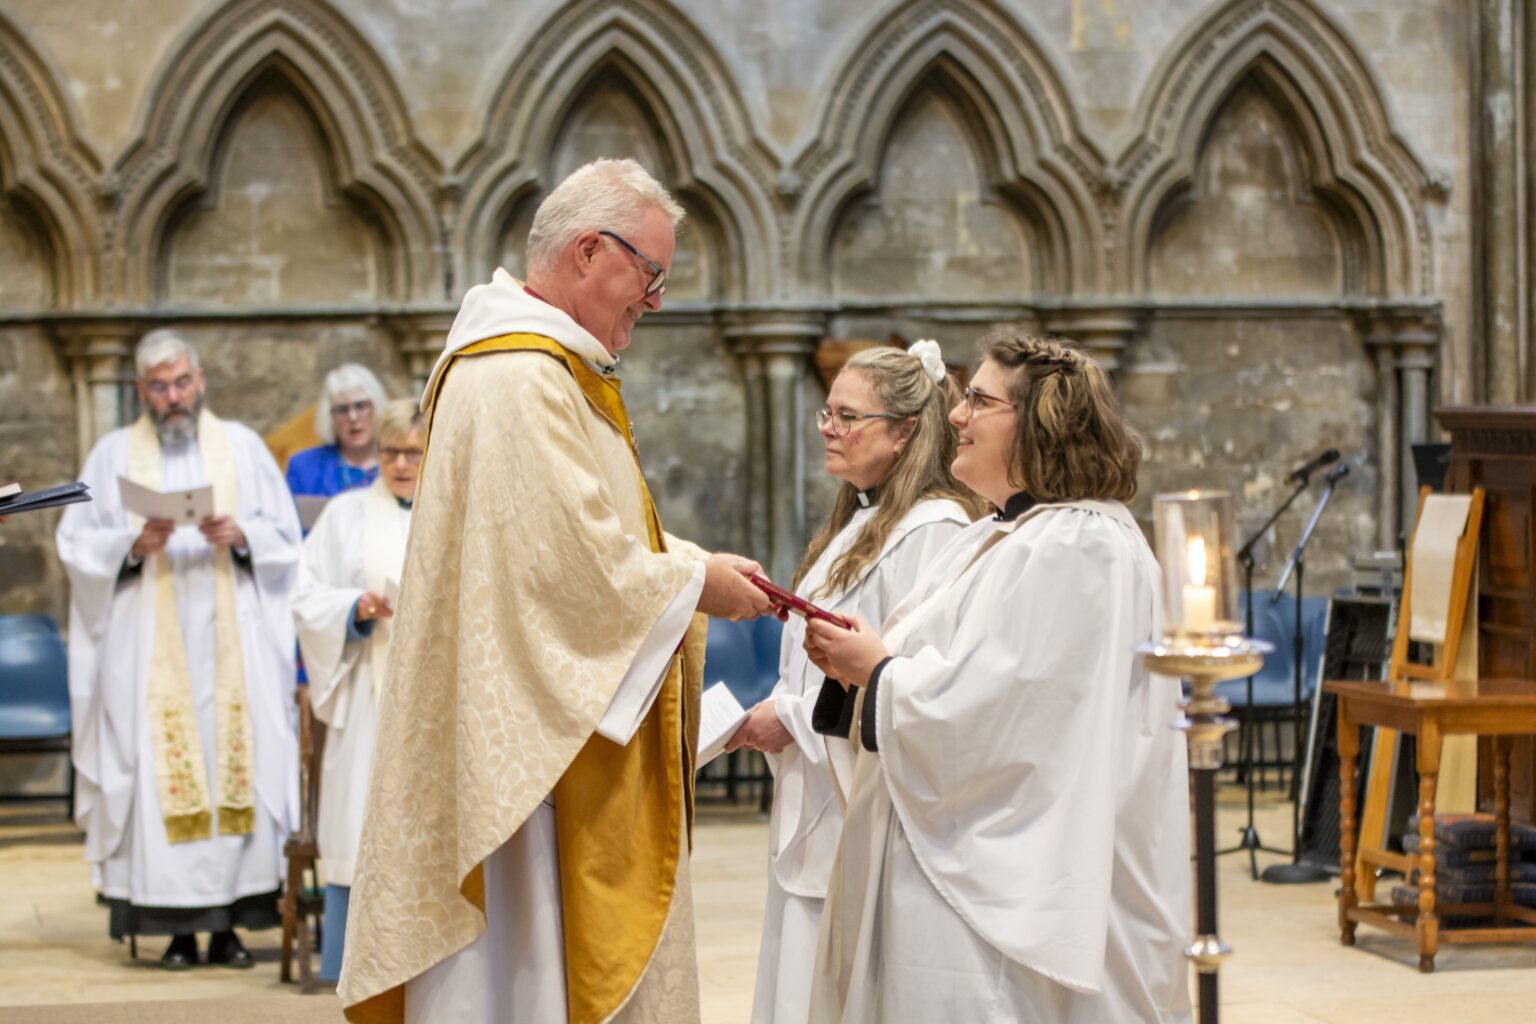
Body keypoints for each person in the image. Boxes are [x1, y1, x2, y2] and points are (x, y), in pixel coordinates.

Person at [339, 158, 772, 1024]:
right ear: (586, 251)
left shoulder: (540, 366)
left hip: (536, 730)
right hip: (526, 768)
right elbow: (566, 571)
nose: (654, 301)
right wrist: (696, 585)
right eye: (650, 275)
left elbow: (579, 534)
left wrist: (688, 561)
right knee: (525, 976)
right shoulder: (519, 376)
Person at [803, 330, 1192, 1023]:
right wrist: (860, 667)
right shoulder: (1002, 533)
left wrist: (880, 673)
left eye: (979, 401)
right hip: (949, 861)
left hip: (1009, 890)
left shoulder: (1081, 544)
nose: (955, 414)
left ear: (1044, 421)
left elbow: (1010, 720)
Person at [727, 340, 978, 1024]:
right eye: (827, 414)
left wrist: (796, 715)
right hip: (818, 781)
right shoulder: (861, 520)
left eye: (848, 416)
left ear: (903, 433)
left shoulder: (933, 529)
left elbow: (910, 670)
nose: (830, 430)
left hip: (861, 788)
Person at [55, 329, 301, 970]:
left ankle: (230, 928)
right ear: (141, 391)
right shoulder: (111, 455)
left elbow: (288, 539)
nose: (172, 397)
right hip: (147, 648)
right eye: (159, 387)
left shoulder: (244, 449)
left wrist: (242, 533)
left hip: (233, 648)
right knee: (156, 770)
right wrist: (130, 547)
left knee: (235, 765)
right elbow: (77, 545)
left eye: (181, 383)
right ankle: (177, 931)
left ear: (199, 382)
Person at [289, 399, 423, 983]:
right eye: (390, 451)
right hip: (367, 691)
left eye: (412, 452)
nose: (399, 463)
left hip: (433, 698)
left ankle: (424, 964)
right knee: (359, 820)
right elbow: (306, 595)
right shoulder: (344, 514)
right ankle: (348, 965)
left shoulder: (457, 509)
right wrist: (357, 608)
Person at [284, 364, 388, 503]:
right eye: (342, 410)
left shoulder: (402, 461)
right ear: (329, 416)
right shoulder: (303, 467)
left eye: (361, 406)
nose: (353, 417)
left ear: (376, 407)